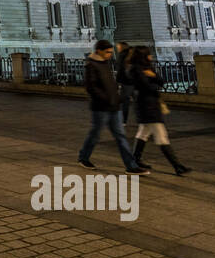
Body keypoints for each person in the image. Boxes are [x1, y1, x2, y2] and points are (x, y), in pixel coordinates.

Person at [79, 40, 148, 174]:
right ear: (99, 51)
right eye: (108, 52)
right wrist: (107, 98)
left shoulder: (104, 62)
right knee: (95, 134)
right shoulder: (91, 65)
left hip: (114, 106)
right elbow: (91, 87)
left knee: (121, 136)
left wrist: (116, 97)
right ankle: (83, 158)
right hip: (100, 107)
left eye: (111, 52)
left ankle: (131, 166)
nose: (110, 54)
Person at [131, 46, 190, 176]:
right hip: (148, 107)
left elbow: (161, 81)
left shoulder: (147, 68)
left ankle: (135, 159)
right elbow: (147, 87)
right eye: (148, 55)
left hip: (150, 105)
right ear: (143, 57)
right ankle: (177, 165)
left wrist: (153, 76)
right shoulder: (136, 70)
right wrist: (153, 83)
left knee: (143, 133)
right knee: (162, 137)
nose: (151, 57)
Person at [114, 41, 135, 124]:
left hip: (126, 82)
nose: (117, 49)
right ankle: (144, 118)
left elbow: (120, 70)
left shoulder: (122, 55)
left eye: (118, 47)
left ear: (122, 47)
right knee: (138, 100)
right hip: (134, 81)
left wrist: (117, 81)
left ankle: (123, 120)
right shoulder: (132, 54)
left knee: (124, 102)